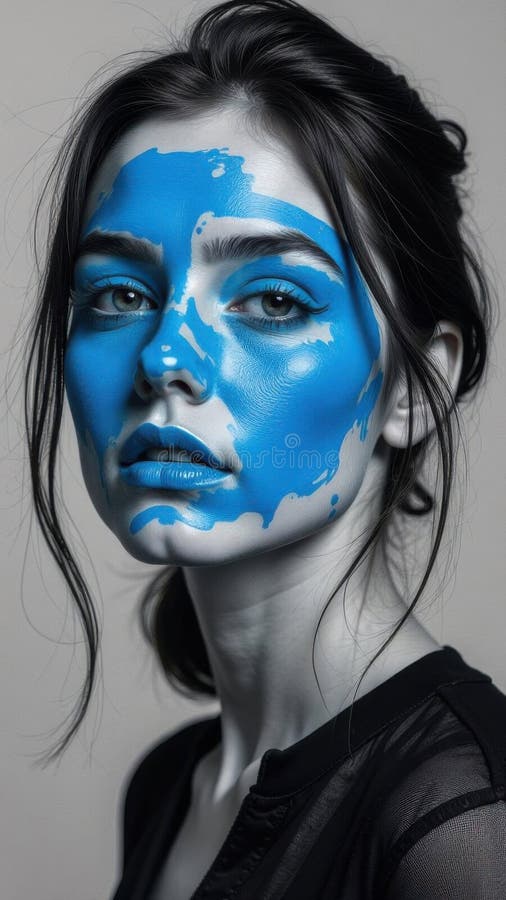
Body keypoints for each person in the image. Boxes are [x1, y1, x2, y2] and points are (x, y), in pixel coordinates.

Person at [23, 0, 505, 897]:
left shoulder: (463, 826)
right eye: (120, 295)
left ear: (412, 386)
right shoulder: (169, 786)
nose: (165, 357)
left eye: (274, 300)